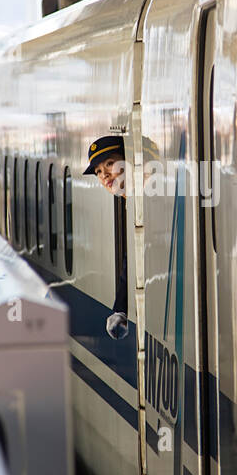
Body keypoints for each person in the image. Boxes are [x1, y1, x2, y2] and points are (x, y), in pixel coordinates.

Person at [83, 135, 128, 339]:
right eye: (99, 171)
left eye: (110, 164)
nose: (104, 175)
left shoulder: (149, 201)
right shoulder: (130, 203)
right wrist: (120, 309)